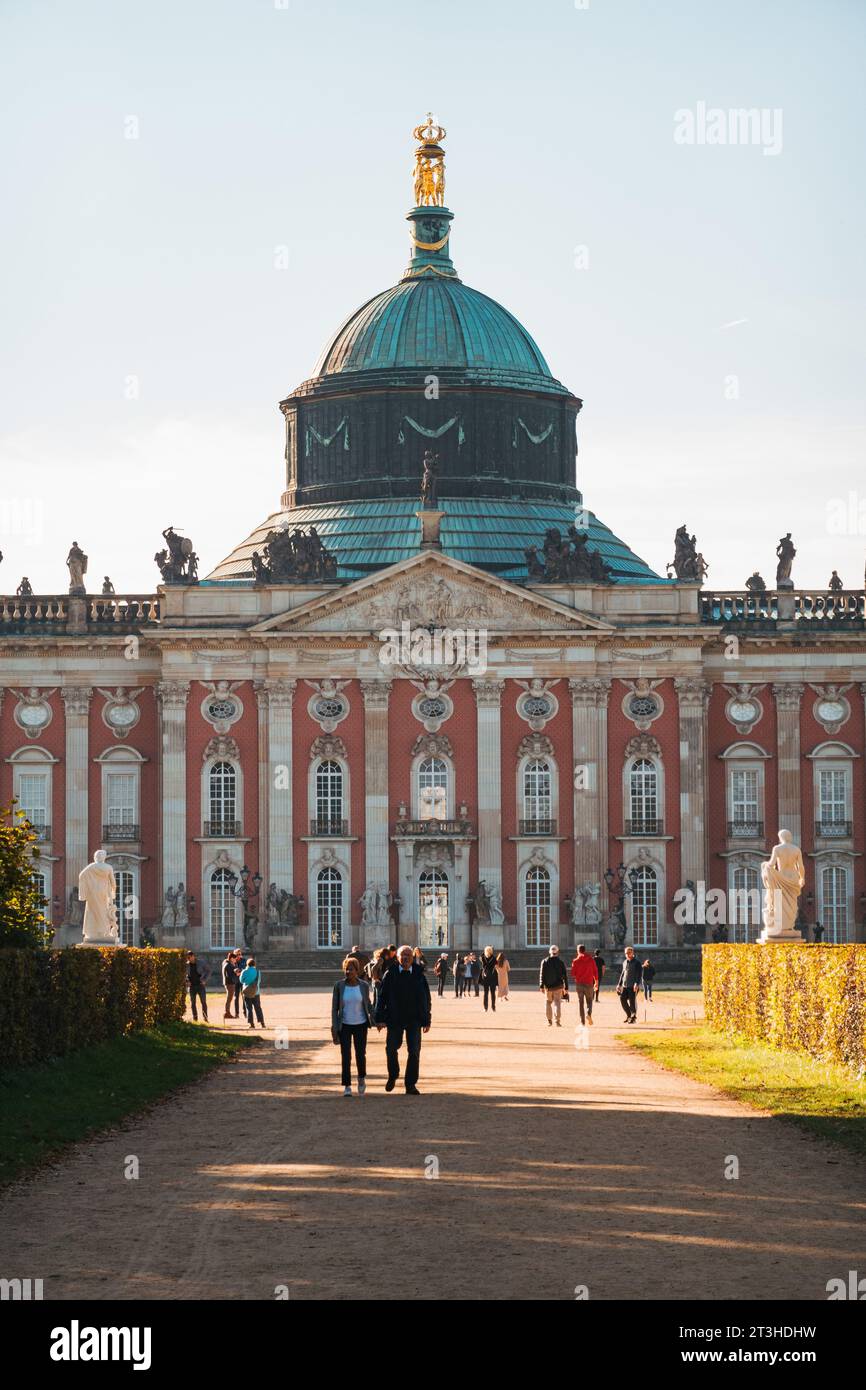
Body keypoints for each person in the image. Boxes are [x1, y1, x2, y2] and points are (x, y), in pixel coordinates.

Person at [374, 944, 432, 1094]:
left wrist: (427, 1019)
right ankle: (393, 1075)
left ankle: (410, 1084)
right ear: (397, 958)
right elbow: (382, 997)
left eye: (408, 955)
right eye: (403, 955)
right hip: (395, 1017)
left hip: (414, 1018)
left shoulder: (419, 974)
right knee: (391, 1049)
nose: (406, 958)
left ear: (413, 958)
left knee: (414, 1051)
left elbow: (426, 998)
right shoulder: (390, 973)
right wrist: (379, 1018)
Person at [331, 955, 375, 1096]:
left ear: (357, 970)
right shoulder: (339, 986)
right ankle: (347, 1086)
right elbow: (334, 1008)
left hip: (361, 1024)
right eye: (346, 969)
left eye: (351, 969)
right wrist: (334, 1026)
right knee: (346, 1056)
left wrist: (376, 1019)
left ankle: (361, 1078)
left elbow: (368, 1004)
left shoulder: (363, 985)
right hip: (345, 1025)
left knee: (360, 1055)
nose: (348, 972)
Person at [539, 945, 569, 1026]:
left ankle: (549, 1020)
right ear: (557, 952)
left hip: (548, 987)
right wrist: (566, 987)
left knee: (548, 1003)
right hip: (558, 986)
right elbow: (565, 976)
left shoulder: (544, 961)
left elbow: (542, 974)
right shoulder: (561, 962)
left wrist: (541, 985)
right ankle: (557, 1021)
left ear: (550, 952)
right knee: (557, 1003)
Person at [569, 945, 598, 1027]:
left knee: (581, 1002)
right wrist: (596, 982)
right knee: (589, 1001)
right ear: (585, 950)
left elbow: (572, 974)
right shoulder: (591, 960)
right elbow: (595, 971)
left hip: (579, 984)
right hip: (589, 983)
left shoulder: (575, 961)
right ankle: (588, 1013)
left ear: (578, 951)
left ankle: (582, 1022)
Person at [616, 947, 642, 1023]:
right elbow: (622, 974)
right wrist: (619, 984)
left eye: (629, 953)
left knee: (632, 1002)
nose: (627, 954)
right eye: (626, 953)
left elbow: (639, 974)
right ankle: (629, 1015)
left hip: (633, 986)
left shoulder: (637, 963)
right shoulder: (624, 962)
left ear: (633, 953)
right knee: (622, 999)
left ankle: (633, 1018)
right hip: (625, 985)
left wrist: (636, 984)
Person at [238, 955, 265, 1028]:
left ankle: (251, 1024)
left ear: (247, 964)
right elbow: (259, 981)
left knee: (249, 1008)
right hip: (256, 992)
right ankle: (262, 1023)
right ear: (254, 964)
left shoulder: (244, 971)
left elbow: (241, 981)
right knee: (258, 1008)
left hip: (247, 992)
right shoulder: (258, 972)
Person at [187, 952, 209, 1022]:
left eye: (189, 957)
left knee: (203, 1002)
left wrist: (205, 980)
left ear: (193, 956)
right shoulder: (186, 965)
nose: (188, 959)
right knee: (193, 1003)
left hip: (200, 985)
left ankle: (205, 1018)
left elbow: (208, 971)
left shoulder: (201, 962)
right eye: (187, 958)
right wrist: (187, 981)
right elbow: (185, 975)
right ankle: (195, 1019)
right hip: (192, 986)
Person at [478, 945, 498, 1013]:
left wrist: (484, 952)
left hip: (485, 976)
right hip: (492, 976)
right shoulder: (494, 958)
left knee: (485, 993)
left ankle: (485, 1008)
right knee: (493, 993)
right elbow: (496, 965)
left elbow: (480, 957)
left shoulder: (483, 958)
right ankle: (493, 1007)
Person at [221, 950, 238, 1019]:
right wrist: (237, 974)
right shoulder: (228, 965)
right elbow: (229, 975)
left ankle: (227, 1012)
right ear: (231, 958)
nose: (236, 961)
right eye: (235, 959)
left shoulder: (226, 963)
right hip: (230, 983)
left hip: (228, 983)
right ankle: (227, 1013)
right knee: (229, 998)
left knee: (229, 998)